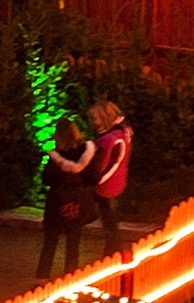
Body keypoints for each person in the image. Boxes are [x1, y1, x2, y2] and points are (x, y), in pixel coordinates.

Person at [37, 117, 98, 278]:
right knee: (73, 242)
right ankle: (70, 276)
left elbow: (46, 179)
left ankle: (42, 276)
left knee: (50, 242)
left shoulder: (56, 156)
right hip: (78, 199)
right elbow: (93, 177)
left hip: (57, 200)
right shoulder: (85, 153)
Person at [88, 96, 134, 256]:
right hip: (116, 182)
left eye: (96, 118)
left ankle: (115, 254)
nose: (94, 122)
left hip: (106, 185)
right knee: (110, 222)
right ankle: (111, 252)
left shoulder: (108, 139)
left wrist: (95, 181)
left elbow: (103, 164)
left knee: (110, 223)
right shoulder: (122, 134)